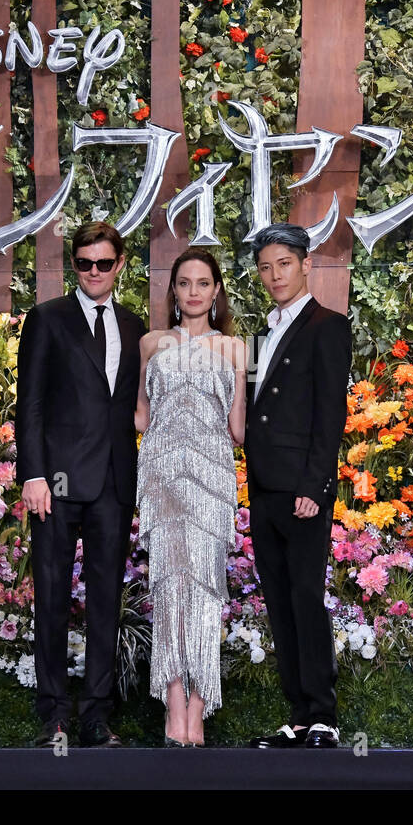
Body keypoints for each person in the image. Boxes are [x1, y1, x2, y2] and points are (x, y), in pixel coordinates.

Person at [15, 221, 145, 748]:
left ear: (120, 265)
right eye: (85, 263)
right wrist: (34, 474)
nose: (95, 272)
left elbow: (137, 407)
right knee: (50, 597)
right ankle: (53, 715)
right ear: (74, 266)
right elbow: (32, 404)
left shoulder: (136, 328)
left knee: (105, 604)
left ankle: (94, 715)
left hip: (113, 484)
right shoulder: (47, 319)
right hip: (58, 482)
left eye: (104, 263)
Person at [242, 223, 352, 749]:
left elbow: (330, 413)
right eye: (265, 266)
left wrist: (315, 484)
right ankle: (298, 712)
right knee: (279, 600)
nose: (274, 274)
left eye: (283, 263)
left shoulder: (327, 325)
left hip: (302, 490)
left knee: (306, 596)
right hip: (264, 489)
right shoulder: (261, 332)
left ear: (306, 264)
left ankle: (324, 713)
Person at [135, 248, 246, 747]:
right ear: (174, 290)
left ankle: (197, 708)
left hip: (211, 483)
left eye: (204, 283)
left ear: (216, 290)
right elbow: (140, 416)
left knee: (203, 592)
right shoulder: (150, 344)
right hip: (160, 479)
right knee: (169, 592)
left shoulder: (234, 348)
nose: (195, 291)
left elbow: (239, 429)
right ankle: (172, 703)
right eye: (185, 283)